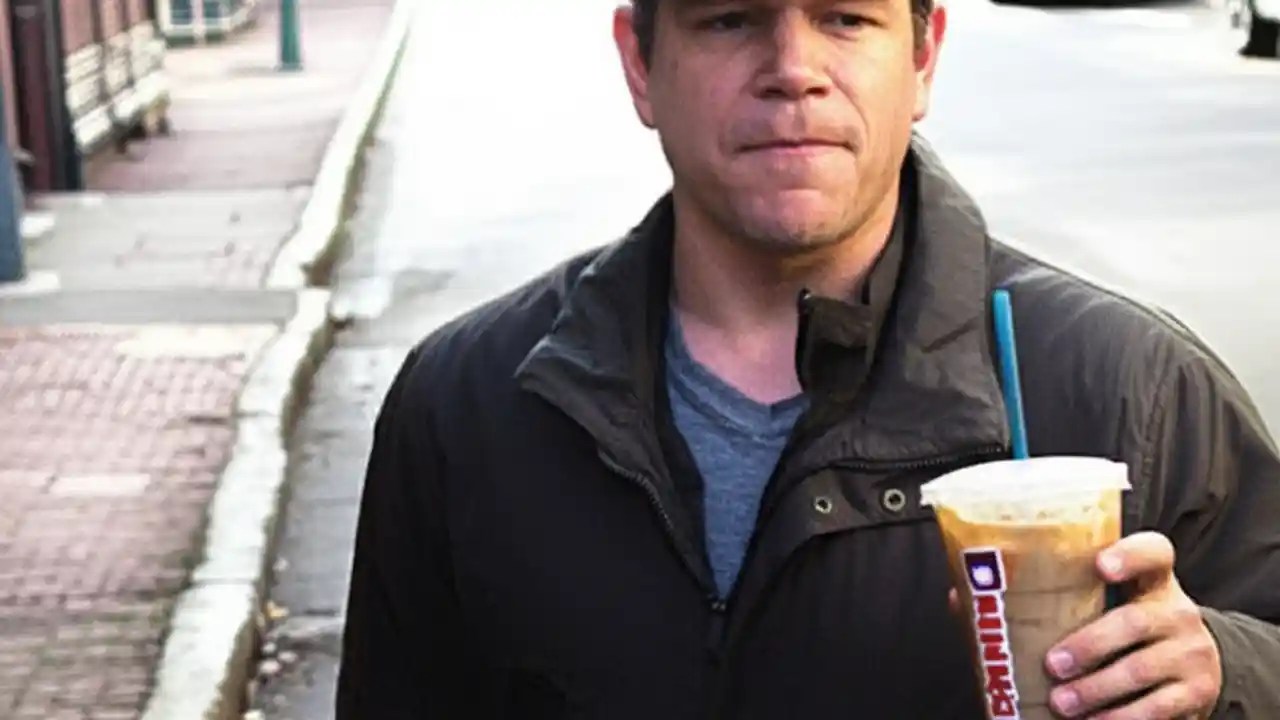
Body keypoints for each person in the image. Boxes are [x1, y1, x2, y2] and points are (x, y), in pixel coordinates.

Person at [335, 0, 1280, 717]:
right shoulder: (466, 406)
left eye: (843, 18)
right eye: (732, 19)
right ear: (639, 64)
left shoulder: (1129, 388)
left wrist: (1225, 673)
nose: (792, 70)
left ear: (922, 57)